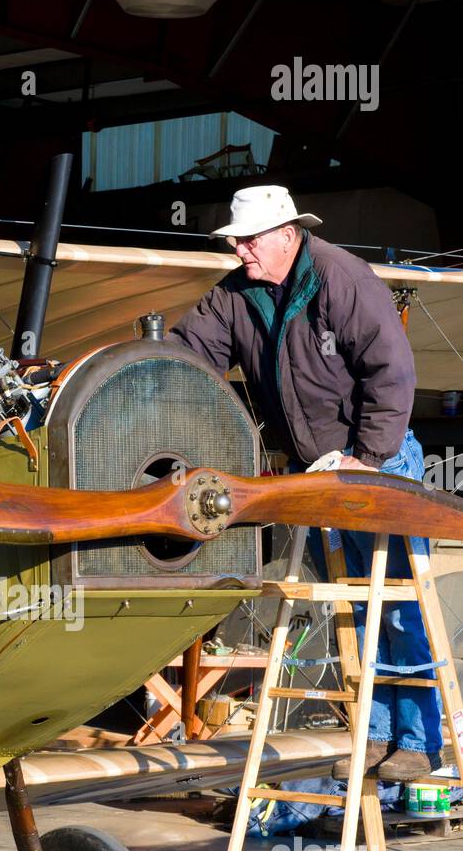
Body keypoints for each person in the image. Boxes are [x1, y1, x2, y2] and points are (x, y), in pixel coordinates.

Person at [170, 184, 441, 783]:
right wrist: (147, 374)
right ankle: (374, 735)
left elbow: (390, 371)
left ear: (289, 235)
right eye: (236, 241)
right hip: (313, 475)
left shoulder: (342, 278)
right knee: (349, 609)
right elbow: (187, 356)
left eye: (250, 240)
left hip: (377, 464)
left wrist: (368, 458)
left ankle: (420, 742)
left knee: (396, 610)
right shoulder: (233, 296)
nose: (240, 250)